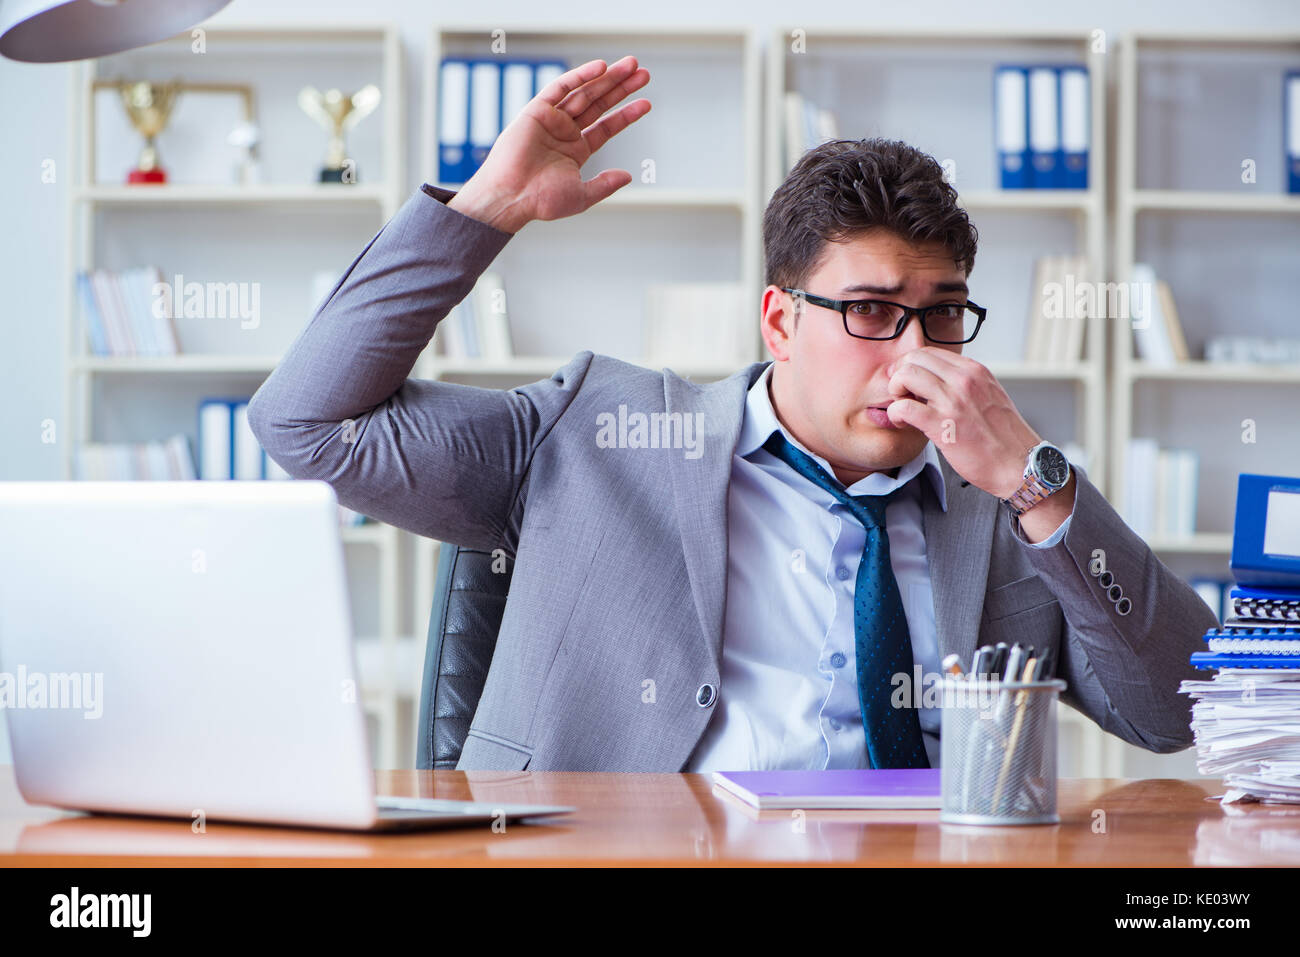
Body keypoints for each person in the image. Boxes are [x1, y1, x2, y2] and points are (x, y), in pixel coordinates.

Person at [248, 56, 1212, 771]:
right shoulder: (595, 431)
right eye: (872, 311)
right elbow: (304, 422)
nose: (916, 350)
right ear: (779, 321)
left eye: (944, 313)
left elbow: (1177, 711)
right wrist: (485, 207)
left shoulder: (1010, 500)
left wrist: (1039, 486)